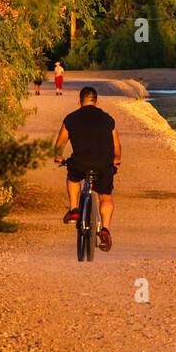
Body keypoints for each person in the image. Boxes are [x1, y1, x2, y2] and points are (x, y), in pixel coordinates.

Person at [53, 85, 121, 251]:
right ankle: (105, 230)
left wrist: (58, 157)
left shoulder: (71, 118)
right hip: (104, 164)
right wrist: (116, 160)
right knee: (106, 197)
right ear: (96, 102)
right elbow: (117, 146)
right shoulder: (108, 119)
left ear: (79, 102)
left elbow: (60, 144)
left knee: (73, 178)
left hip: (80, 162)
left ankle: (74, 209)